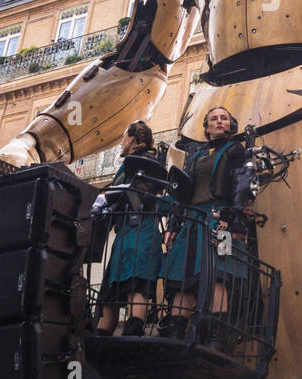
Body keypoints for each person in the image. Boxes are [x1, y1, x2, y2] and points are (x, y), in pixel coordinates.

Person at [161, 106, 252, 337]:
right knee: (183, 275)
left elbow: (242, 186)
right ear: (207, 127)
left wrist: (238, 223)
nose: (219, 121)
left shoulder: (236, 150)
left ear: (231, 125)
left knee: (219, 274)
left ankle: (216, 337)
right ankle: (175, 332)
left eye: (224, 118)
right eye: (214, 119)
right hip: (192, 220)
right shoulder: (197, 155)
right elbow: (183, 192)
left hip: (221, 220)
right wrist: (173, 226)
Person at [96, 121, 165, 336]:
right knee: (110, 291)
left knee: (136, 283)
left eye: (124, 137)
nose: (121, 142)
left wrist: (109, 198)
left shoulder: (146, 162)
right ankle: (100, 340)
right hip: (126, 230)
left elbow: (141, 194)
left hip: (141, 228)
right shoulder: (128, 163)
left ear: (135, 139)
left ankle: (133, 331)